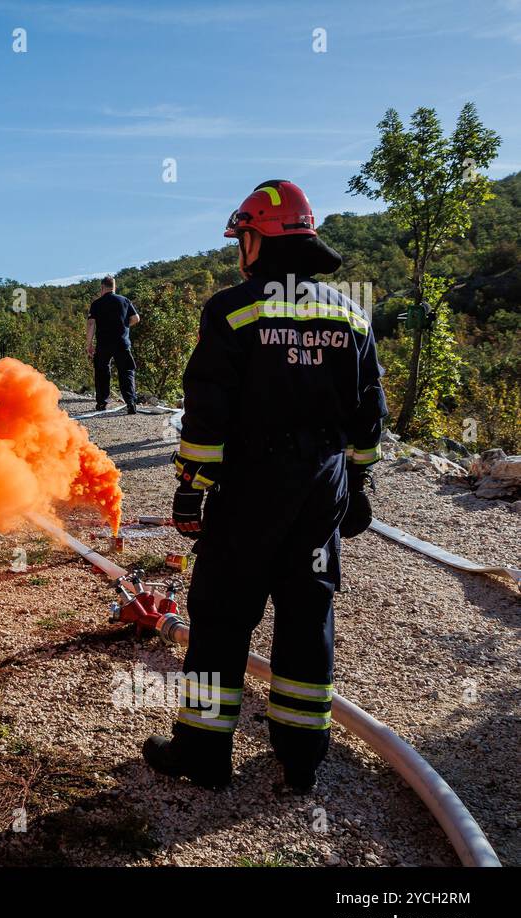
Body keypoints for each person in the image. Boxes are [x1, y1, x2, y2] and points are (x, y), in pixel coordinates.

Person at [143, 180, 387, 794]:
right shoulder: (350, 314)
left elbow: (208, 411)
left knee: (221, 617)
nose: (239, 251)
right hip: (322, 488)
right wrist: (359, 483)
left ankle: (203, 751)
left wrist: (192, 487)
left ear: (261, 240)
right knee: (307, 615)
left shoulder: (232, 309)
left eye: (242, 238)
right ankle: (301, 759)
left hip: (251, 488)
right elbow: (369, 412)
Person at [86, 276, 140, 413]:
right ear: (114, 287)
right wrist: (124, 326)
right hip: (122, 342)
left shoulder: (96, 304)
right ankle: (130, 403)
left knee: (102, 372)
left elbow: (91, 324)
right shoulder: (124, 300)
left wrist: (89, 344)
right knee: (126, 371)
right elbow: (136, 318)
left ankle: (102, 403)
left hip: (103, 344)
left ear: (102, 287)